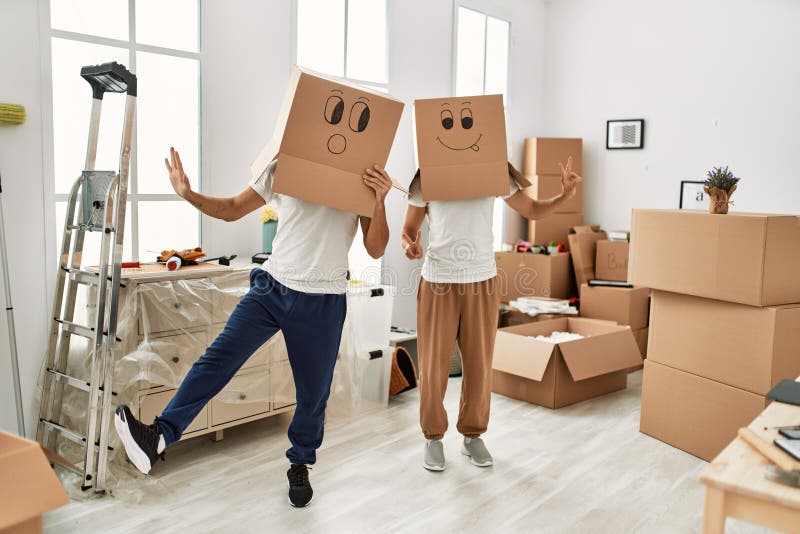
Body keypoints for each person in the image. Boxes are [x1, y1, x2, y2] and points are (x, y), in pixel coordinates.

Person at [114, 147, 393, 507]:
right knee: (217, 359)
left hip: (323, 298)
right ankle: (159, 436)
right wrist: (187, 194)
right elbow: (232, 208)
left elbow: (375, 247)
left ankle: (300, 463)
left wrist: (380, 200)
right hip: (272, 288)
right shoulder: (284, 164)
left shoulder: (362, 178)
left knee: (313, 395)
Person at [401, 157, 582, 471]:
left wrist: (565, 195)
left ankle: (472, 436)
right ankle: (433, 437)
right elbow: (409, 228)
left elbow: (532, 209)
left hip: (482, 280)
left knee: (479, 365)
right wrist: (409, 244)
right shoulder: (426, 175)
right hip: (439, 280)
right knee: (432, 366)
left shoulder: (495, 170)